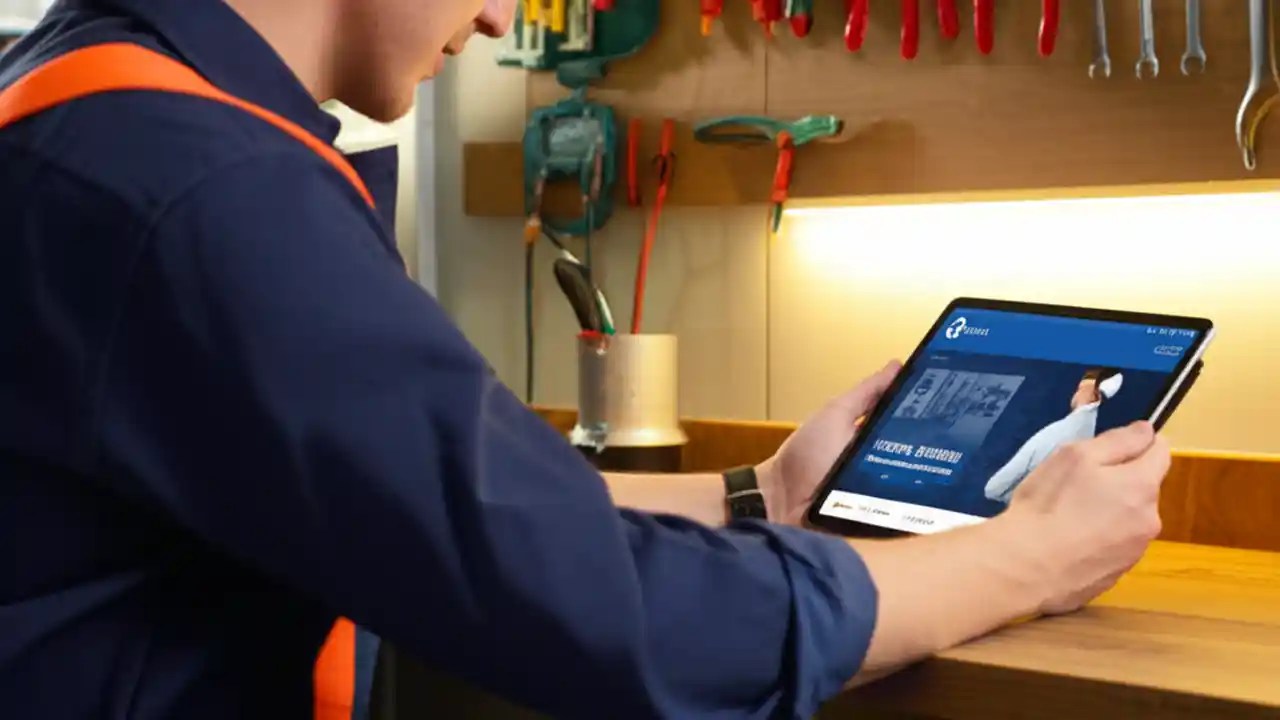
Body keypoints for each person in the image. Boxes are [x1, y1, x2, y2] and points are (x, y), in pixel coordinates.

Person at [0, 1, 1171, 719]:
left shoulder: (80, 97)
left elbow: (413, 498)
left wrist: (758, 497)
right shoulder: (207, 184)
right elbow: (593, 612)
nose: (507, 21)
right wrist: (1023, 561)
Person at [984, 368, 1125, 504]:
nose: (1075, 393)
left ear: (1096, 395)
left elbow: (993, 489)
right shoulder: (1087, 436)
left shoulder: (1058, 432)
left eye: (1081, 389)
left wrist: (1028, 501)